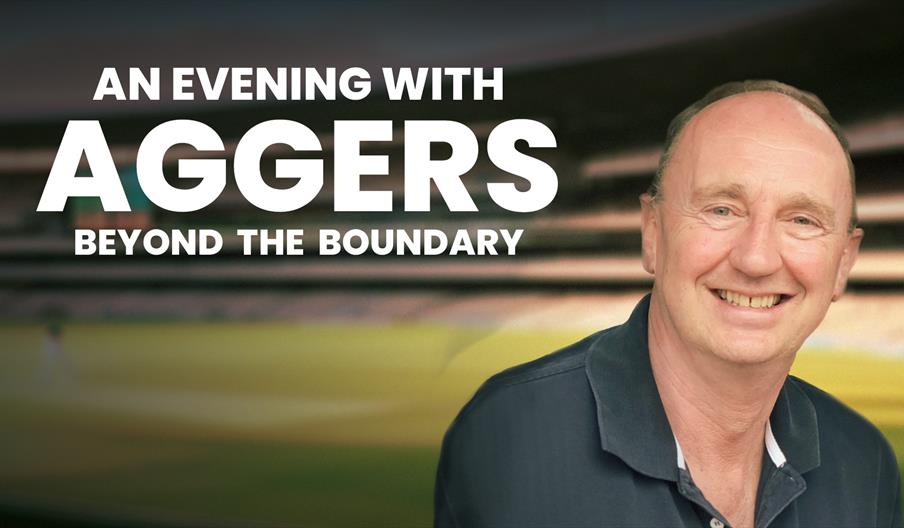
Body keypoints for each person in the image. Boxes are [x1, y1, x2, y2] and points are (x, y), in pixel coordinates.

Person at [435, 80, 902, 528]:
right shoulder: (513, 435)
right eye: (722, 209)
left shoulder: (864, 463)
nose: (757, 258)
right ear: (653, 232)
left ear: (843, 262)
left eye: (802, 220)